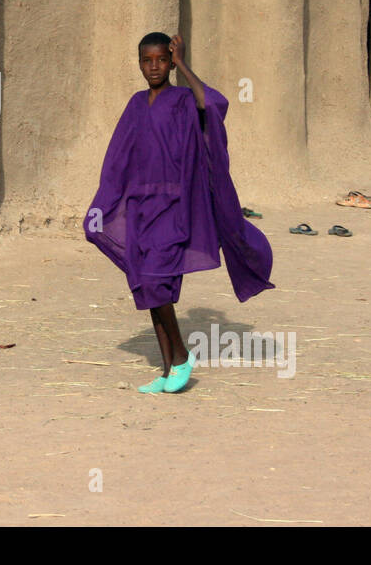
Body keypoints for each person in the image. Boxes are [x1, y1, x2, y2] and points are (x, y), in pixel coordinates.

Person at [84, 31, 274, 393]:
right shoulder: (136, 105)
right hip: (141, 208)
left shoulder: (184, 100)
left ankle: (183, 357)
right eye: (146, 60)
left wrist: (185, 63)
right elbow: (117, 160)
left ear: (170, 61)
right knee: (145, 284)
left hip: (174, 209)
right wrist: (104, 203)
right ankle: (168, 368)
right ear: (139, 63)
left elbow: (214, 105)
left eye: (161, 59)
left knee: (157, 281)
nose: (153, 66)